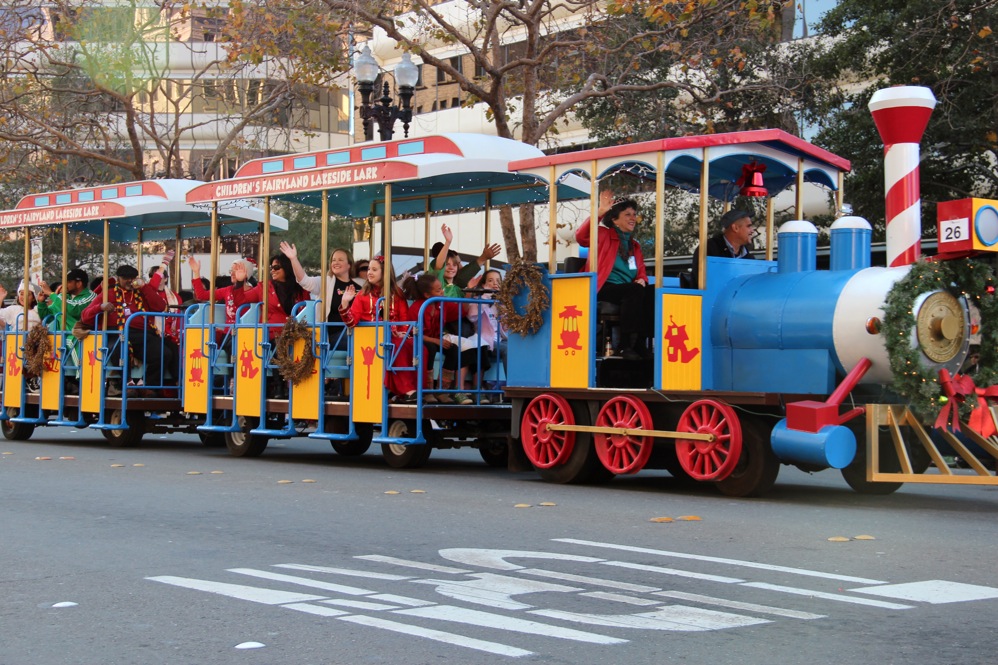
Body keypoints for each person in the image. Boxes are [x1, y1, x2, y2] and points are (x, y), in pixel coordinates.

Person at [575, 192, 654, 360]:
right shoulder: (603, 234)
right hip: (602, 286)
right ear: (614, 219)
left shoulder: (635, 245)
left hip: (627, 289)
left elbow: (641, 270)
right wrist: (599, 211)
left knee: (652, 291)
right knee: (633, 291)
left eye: (634, 214)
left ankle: (640, 341)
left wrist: (642, 279)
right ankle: (625, 345)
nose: (633, 218)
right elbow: (581, 236)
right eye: (627, 215)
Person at [81, 258, 176, 395]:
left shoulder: (142, 291)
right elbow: (85, 315)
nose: (129, 281)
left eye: (132, 278)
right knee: (120, 347)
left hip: (142, 333)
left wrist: (144, 287)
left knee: (164, 353)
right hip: (116, 333)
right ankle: (125, 383)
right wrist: (100, 307)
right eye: (125, 278)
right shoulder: (109, 293)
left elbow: (160, 307)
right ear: (119, 278)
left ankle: (148, 385)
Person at [339, 256, 417, 402]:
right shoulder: (362, 295)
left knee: (418, 347)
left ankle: (419, 389)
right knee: (396, 346)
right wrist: (344, 303)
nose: (369, 272)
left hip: (395, 337)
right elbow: (351, 322)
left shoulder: (397, 294)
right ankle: (406, 390)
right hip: (371, 339)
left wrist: (402, 332)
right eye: (369, 269)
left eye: (374, 269)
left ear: (385, 272)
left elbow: (405, 319)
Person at [405, 273, 488, 405]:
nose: (442, 291)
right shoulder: (417, 308)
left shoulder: (441, 304)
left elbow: (462, 310)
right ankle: (428, 390)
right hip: (418, 340)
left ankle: (443, 390)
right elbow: (414, 333)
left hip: (436, 338)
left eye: (441, 288)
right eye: (438, 290)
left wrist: (469, 291)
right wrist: (436, 341)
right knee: (430, 349)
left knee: (453, 349)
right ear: (427, 295)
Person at [230, 253, 308, 339]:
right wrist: (240, 282)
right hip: (270, 336)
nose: (272, 270)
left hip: (296, 335)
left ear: (287, 268)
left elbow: (307, 312)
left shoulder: (301, 288)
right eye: (271, 268)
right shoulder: (264, 287)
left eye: (276, 267)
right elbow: (240, 301)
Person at [188, 257, 254, 345]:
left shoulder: (254, 292)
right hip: (228, 333)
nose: (232, 273)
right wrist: (196, 272)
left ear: (246, 273)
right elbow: (202, 295)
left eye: (237, 270)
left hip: (245, 333)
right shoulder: (227, 290)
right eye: (231, 270)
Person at [687, 208, 756, 287]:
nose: (752, 230)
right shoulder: (709, 249)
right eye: (749, 226)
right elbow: (708, 282)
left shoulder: (749, 257)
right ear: (735, 228)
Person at [429, 223, 501, 293]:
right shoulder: (437, 282)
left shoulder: (458, 289)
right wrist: (448, 242)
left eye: (455, 265)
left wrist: (470, 290)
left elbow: (462, 278)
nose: (452, 268)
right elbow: (439, 266)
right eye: (447, 264)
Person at [465, 269, 507, 388]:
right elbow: (472, 317)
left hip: (500, 340)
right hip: (486, 341)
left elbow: (507, 328)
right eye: (490, 280)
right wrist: (485, 298)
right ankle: (514, 387)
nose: (495, 284)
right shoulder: (478, 300)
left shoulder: (502, 302)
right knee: (508, 349)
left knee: (518, 347)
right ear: (483, 285)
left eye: (498, 281)